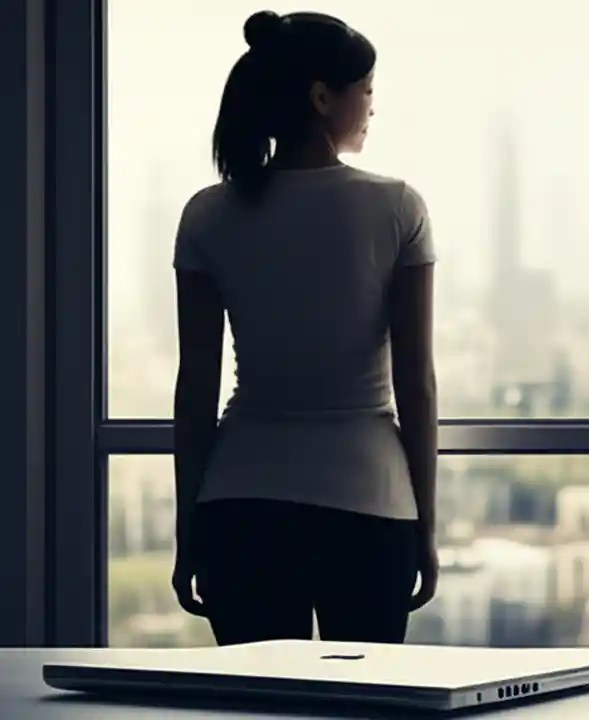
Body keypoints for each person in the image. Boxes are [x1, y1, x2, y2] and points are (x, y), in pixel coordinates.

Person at [170, 9, 439, 646]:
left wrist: (189, 530)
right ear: (323, 97)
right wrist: (427, 527)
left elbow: (195, 389)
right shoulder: (397, 207)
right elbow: (417, 386)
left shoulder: (208, 216)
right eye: (367, 91)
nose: (372, 107)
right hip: (370, 507)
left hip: (240, 509)